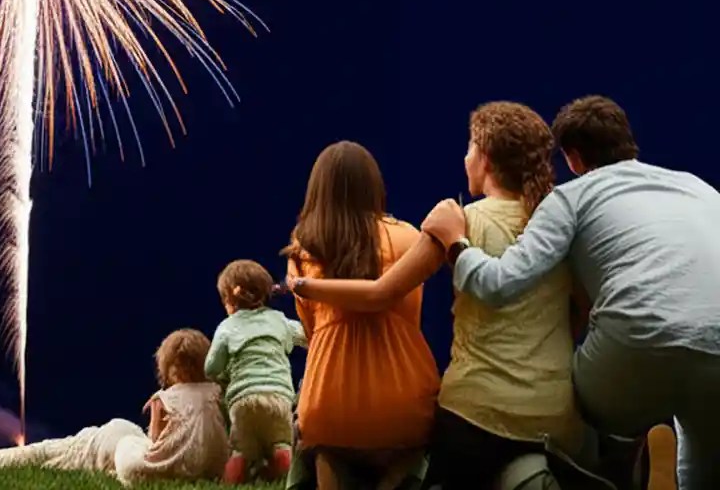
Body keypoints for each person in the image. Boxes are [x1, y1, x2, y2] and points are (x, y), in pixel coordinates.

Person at [420, 96, 720, 490]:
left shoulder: (571, 199)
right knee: (702, 455)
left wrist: (455, 240)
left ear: (573, 159)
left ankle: (613, 467)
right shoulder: (696, 187)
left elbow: (499, 284)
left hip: (636, 340)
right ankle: (651, 459)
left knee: (578, 398)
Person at [286, 102, 591, 489]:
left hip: (473, 414)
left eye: (468, 149)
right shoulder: (563, 228)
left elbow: (382, 292)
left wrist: (302, 285)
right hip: (555, 413)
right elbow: (582, 308)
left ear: (484, 158)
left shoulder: (458, 221)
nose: (465, 159)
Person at [282, 141, 440, 489]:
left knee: (325, 445)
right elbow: (412, 314)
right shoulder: (409, 237)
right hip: (403, 403)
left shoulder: (304, 247)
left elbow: (312, 333)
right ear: (374, 185)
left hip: (329, 405)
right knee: (418, 449)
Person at [0, 328, 230, 486]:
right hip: (202, 471)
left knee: (93, 438)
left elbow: (155, 442)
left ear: (169, 366)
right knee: (118, 430)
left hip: (143, 471)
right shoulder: (217, 393)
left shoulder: (163, 398)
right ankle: (90, 447)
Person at [205, 260, 308, 484]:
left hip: (243, 400)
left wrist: (223, 375)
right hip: (279, 397)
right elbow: (308, 336)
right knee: (281, 442)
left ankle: (230, 482)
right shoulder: (278, 320)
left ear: (229, 300)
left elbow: (210, 367)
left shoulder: (226, 327)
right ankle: (284, 475)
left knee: (240, 450)